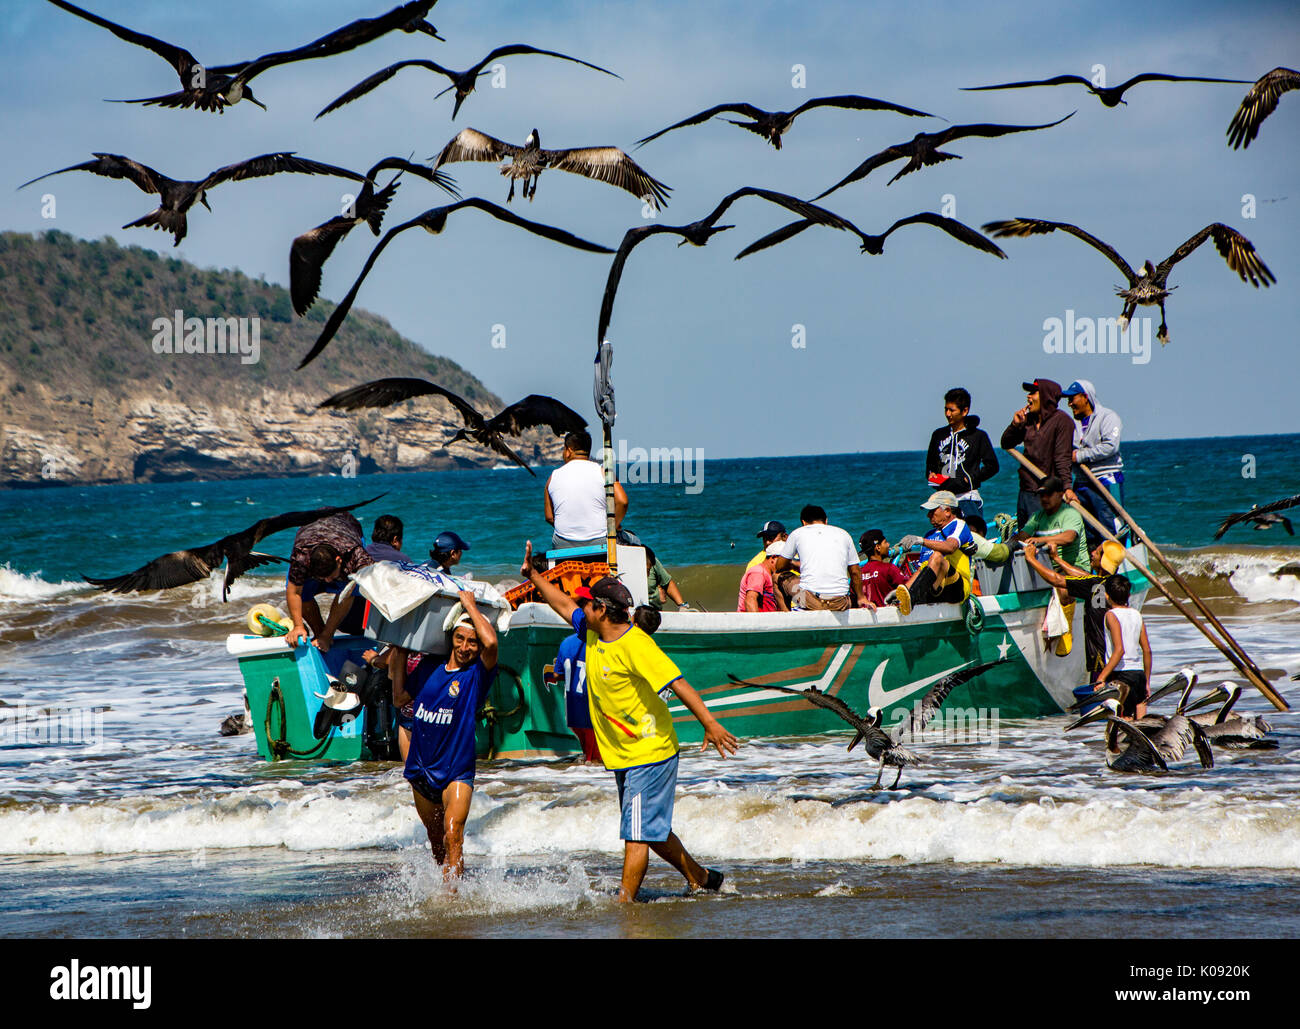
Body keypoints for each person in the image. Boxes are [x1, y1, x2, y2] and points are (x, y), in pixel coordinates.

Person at [520, 542, 738, 902]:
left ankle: (625, 905)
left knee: (635, 834)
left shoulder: (638, 646)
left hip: (649, 753)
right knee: (650, 830)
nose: (581, 607)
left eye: (587, 603)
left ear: (602, 609)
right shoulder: (591, 632)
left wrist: (710, 725)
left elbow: (679, 684)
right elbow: (562, 605)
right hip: (625, 753)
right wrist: (532, 576)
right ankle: (702, 878)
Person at [394, 590, 497, 880]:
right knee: (437, 840)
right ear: (450, 637)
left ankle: (453, 899)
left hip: (456, 771)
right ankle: (446, 897)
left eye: (472, 642)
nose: (465, 647)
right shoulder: (429, 668)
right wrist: (400, 647)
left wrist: (469, 605)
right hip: (421, 770)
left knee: (453, 836)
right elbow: (400, 697)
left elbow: (491, 642)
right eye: (460, 638)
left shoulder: (477, 675)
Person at [1023, 539, 1126, 681]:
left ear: (1104, 559)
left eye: (1097, 552)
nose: (1092, 553)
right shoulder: (1114, 585)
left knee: (1101, 696)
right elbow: (1084, 577)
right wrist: (1057, 559)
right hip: (1118, 660)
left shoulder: (1094, 585)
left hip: (1100, 659)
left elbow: (1057, 580)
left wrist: (1031, 559)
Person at [285, 510, 374, 651]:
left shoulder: (356, 555)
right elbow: (294, 592)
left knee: (349, 589)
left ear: (339, 561)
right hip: (309, 530)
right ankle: (319, 633)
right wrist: (298, 626)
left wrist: (328, 634)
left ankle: (326, 636)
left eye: (330, 576)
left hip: (346, 525)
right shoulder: (301, 557)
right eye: (322, 578)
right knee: (303, 590)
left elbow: (373, 582)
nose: (327, 581)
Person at [1059, 380, 1126, 550]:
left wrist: (1080, 456)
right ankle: (1093, 568)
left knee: (1109, 527)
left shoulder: (1108, 417)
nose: (1070, 404)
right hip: (1082, 483)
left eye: (1072, 399)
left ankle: (1113, 568)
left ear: (1085, 397)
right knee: (1087, 531)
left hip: (1105, 480)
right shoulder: (1073, 424)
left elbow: (1111, 446)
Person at [1000, 378, 1074, 527]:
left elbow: (1062, 458)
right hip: (1026, 490)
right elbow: (1006, 443)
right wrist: (1015, 425)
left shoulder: (1062, 421)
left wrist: (1067, 487)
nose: (1028, 396)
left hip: (1048, 492)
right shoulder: (1028, 421)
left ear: (1046, 396)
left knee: (1042, 540)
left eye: (1033, 393)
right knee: (1025, 538)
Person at [891, 491, 975, 614]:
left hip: (957, 588)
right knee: (928, 565)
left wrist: (920, 541)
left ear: (947, 511)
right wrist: (903, 591)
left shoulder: (958, 525)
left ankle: (914, 598)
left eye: (932, 511)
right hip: (936, 588)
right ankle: (910, 598)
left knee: (937, 556)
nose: (928, 516)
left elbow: (950, 547)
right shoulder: (929, 535)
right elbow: (922, 570)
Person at [925, 387, 1000, 522]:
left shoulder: (978, 436)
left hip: (967, 498)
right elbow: (930, 466)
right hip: (944, 501)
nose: (948, 414)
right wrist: (933, 478)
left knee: (972, 538)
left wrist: (970, 479)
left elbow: (993, 466)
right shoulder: (938, 435)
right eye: (945, 409)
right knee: (947, 541)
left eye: (952, 410)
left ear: (964, 411)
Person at [544, 430, 627, 549]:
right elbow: (622, 502)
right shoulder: (604, 473)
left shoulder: (552, 477)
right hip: (600, 541)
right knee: (633, 539)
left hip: (563, 544)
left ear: (568, 450)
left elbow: (549, 517)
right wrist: (612, 527)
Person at [777, 505, 869, 611]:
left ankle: (788, 617)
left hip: (810, 602)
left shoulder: (797, 534)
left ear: (803, 522)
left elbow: (780, 566)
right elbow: (855, 572)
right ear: (826, 521)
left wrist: (792, 564)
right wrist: (861, 598)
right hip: (840, 603)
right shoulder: (844, 534)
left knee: (777, 577)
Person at [545, 586, 600, 762]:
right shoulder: (599, 642)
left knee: (588, 759)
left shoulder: (566, 643)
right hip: (590, 713)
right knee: (596, 763)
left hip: (573, 715)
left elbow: (557, 675)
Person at [1094, 574, 1151, 720]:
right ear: (1128, 594)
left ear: (1107, 595)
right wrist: (1147, 681)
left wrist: (1101, 678)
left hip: (1122, 674)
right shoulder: (1136, 614)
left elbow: (1119, 650)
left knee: (1124, 721)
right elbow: (1147, 650)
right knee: (1141, 723)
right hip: (1138, 674)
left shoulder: (1111, 615)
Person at [1014, 476, 1089, 573]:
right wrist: (1006, 546)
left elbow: (1068, 537)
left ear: (1060, 495)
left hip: (1075, 567)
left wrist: (1039, 540)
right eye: (1041, 495)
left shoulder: (1070, 513)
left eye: (1049, 494)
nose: (1044, 499)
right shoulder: (1037, 516)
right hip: (1050, 567)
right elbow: (1022, 536)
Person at [857, 530, 911, 607]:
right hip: (887, 614)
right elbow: (908, 588)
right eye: (885, 542)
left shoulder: (857, 574)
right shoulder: (889, 569)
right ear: (878, 547)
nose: (888, 545)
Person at [738, 542, 787, 612]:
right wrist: (757, 622)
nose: (786, 565)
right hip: (754, 621)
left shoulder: (771, 574)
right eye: (785, 561)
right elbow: (750, 600)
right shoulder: (758, 573)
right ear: (773, 558)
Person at [644, 546, 688, 610]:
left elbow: (667, 583)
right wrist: (656, 596)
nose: (648, 575)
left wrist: (682, 606)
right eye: (647, 570)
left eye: (649, 571)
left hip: (654, 611)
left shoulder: (650, 558)